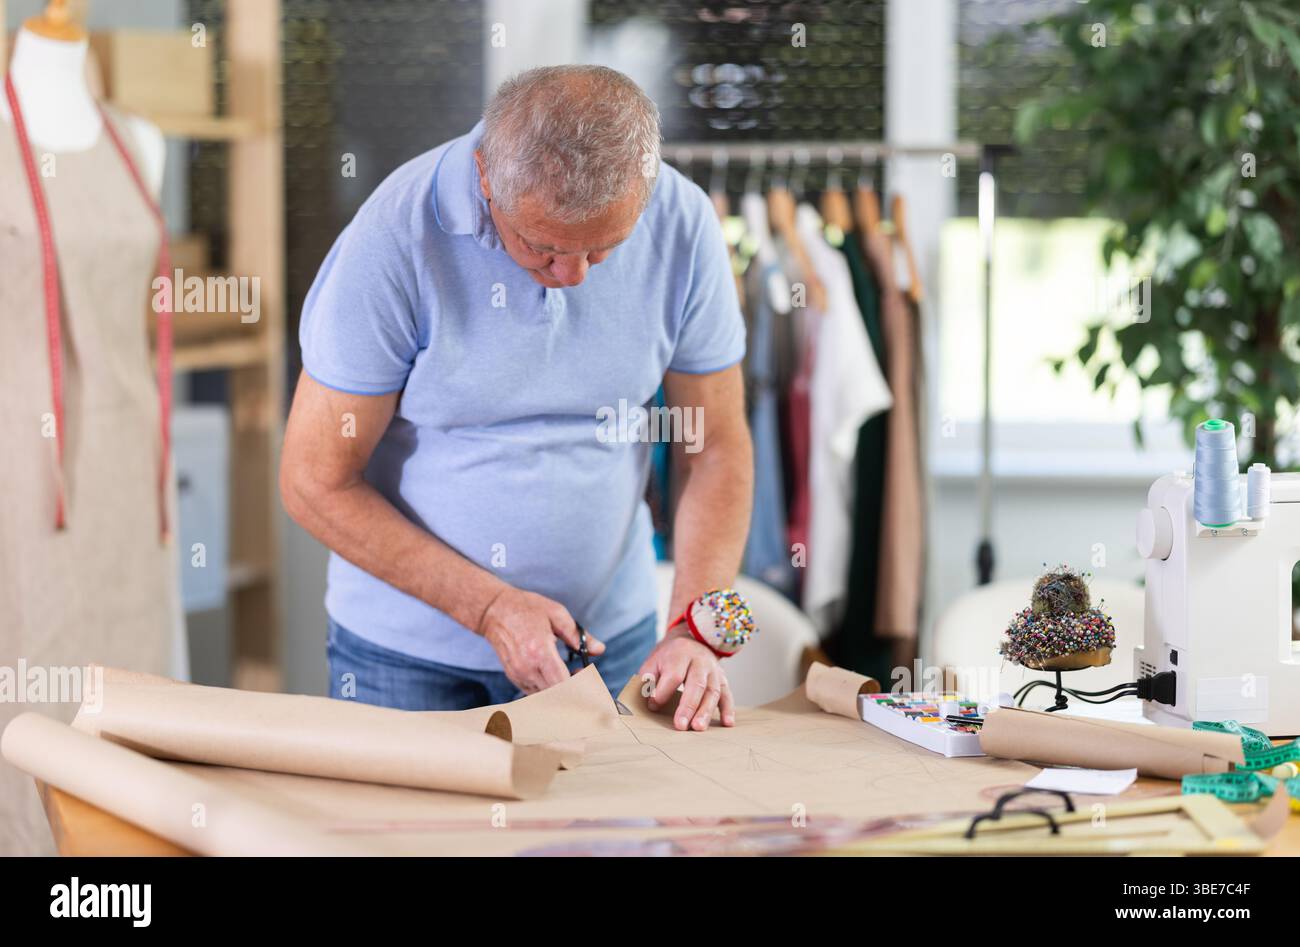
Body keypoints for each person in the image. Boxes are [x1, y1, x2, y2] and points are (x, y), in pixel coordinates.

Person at [281, 65, 753, 731]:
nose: (573, 276)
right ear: (484, 179)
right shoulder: (392, 238)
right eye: (544, 247)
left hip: (609, 644)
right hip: (407, 662)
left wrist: (694, 628)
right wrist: (488, 605)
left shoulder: (684, 224)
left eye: (606, 249)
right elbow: (312, 480)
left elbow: (716, 451)